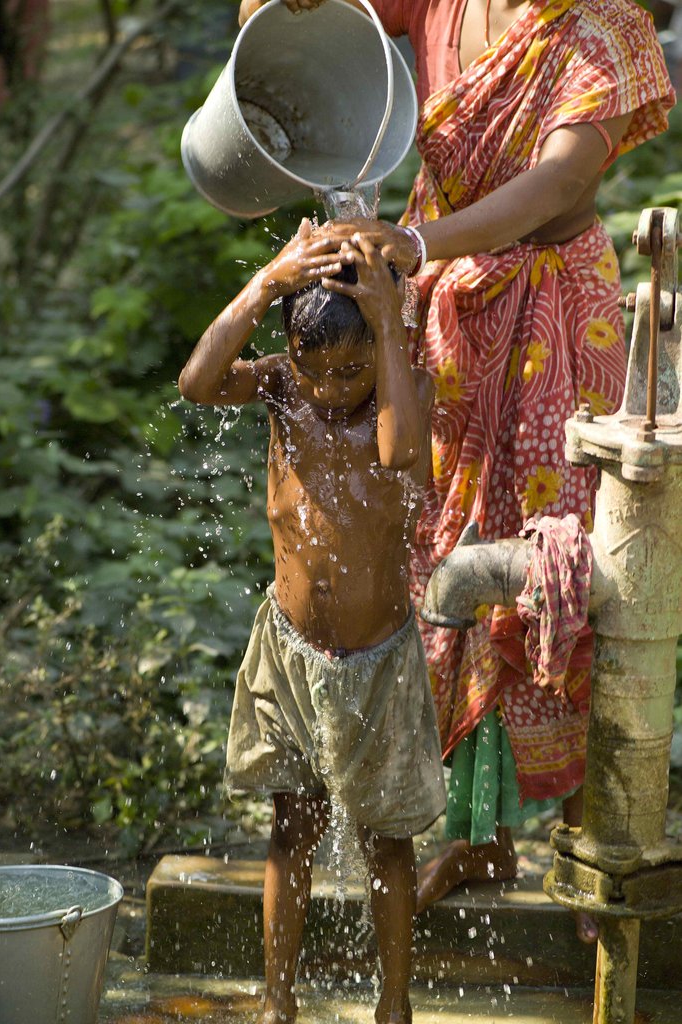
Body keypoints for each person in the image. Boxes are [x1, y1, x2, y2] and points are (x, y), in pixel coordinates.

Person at [238, 0, 676, 944]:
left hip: (557, 314)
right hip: (441, 314)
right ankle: (476, 842)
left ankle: (588, 840)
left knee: (566, 577)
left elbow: (554, 183)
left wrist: (418, 245)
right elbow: (308, 17)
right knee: (442, 552)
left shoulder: (603, 28)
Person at [178, 219, 446, 1024]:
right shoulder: (277, 389)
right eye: (316, 369)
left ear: (382, 345)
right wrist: (267, 281)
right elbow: (196, 381)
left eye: (352, 367)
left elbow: (400, 454)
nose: (332, 387)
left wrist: (391, 326)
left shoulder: (406, 387)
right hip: (289, 653)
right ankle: (277, 999)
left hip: (379, 660)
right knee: (289, 828)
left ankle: (393, 1005)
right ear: (290, 357)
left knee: (385, 842)